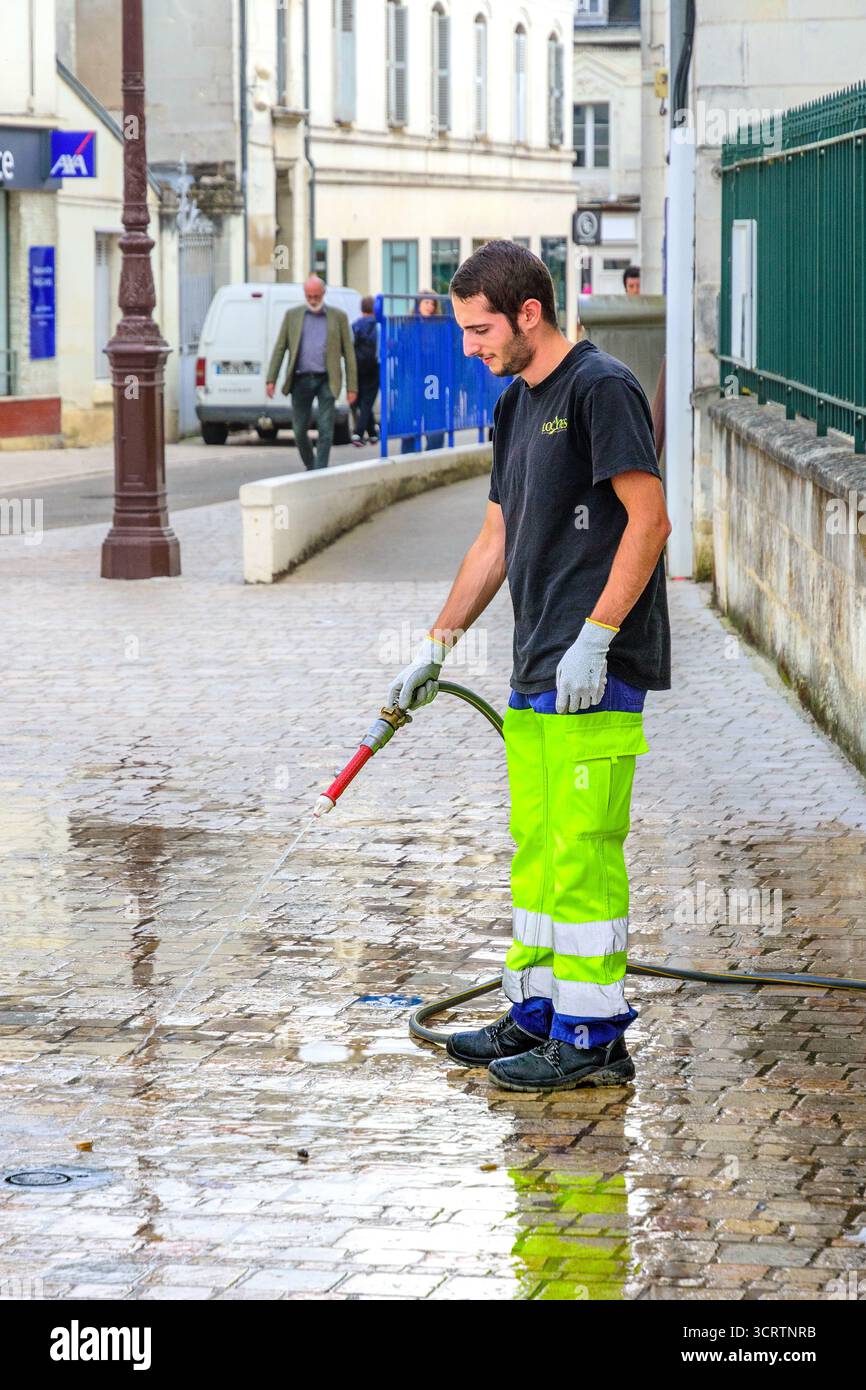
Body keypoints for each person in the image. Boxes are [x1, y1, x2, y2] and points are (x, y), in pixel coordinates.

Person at [385, 240, 671, 1094]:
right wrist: (435, 644)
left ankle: (592, 1037)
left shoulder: (602, 389)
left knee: (583, 850)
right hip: (534, 664)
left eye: (479, 330)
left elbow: (649, 522)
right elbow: (494, 540)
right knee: (539, 849)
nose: (469, 346)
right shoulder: (517, 406)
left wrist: (599, 634)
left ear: (529, 314)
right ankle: (537, 1011)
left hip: (594, 666)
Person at [265, 274, 357, 470]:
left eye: (316, 295)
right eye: (309, 296)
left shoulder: (338, 317)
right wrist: (271, 379)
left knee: (325, 429)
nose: (313, 300)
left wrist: (352, 387)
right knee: (298, 430)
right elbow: (280, 347)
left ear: (323, 293)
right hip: (300, 379)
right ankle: (311, 465)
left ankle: (320, 469)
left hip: (326, 380)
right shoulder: (293, 316)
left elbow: (349, 354)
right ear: (304, 294)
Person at [400, 291, 447, 454]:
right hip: (412, 376)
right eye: (426, 302)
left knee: (434, 418)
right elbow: (403, 351)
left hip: (432, 377)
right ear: (418, 304)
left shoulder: (440, 326)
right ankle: (407, 456)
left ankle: (433, 453)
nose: (430, 306)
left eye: (432, 304)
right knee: (409, 418)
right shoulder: (408, 325)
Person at [351, 296, 380, 446]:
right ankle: (358, 433)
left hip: (357, 367)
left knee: (363, 401)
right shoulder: (379, 325)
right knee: (367, 401)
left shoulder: (355, 325)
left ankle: (373, 434)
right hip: (374, 367)